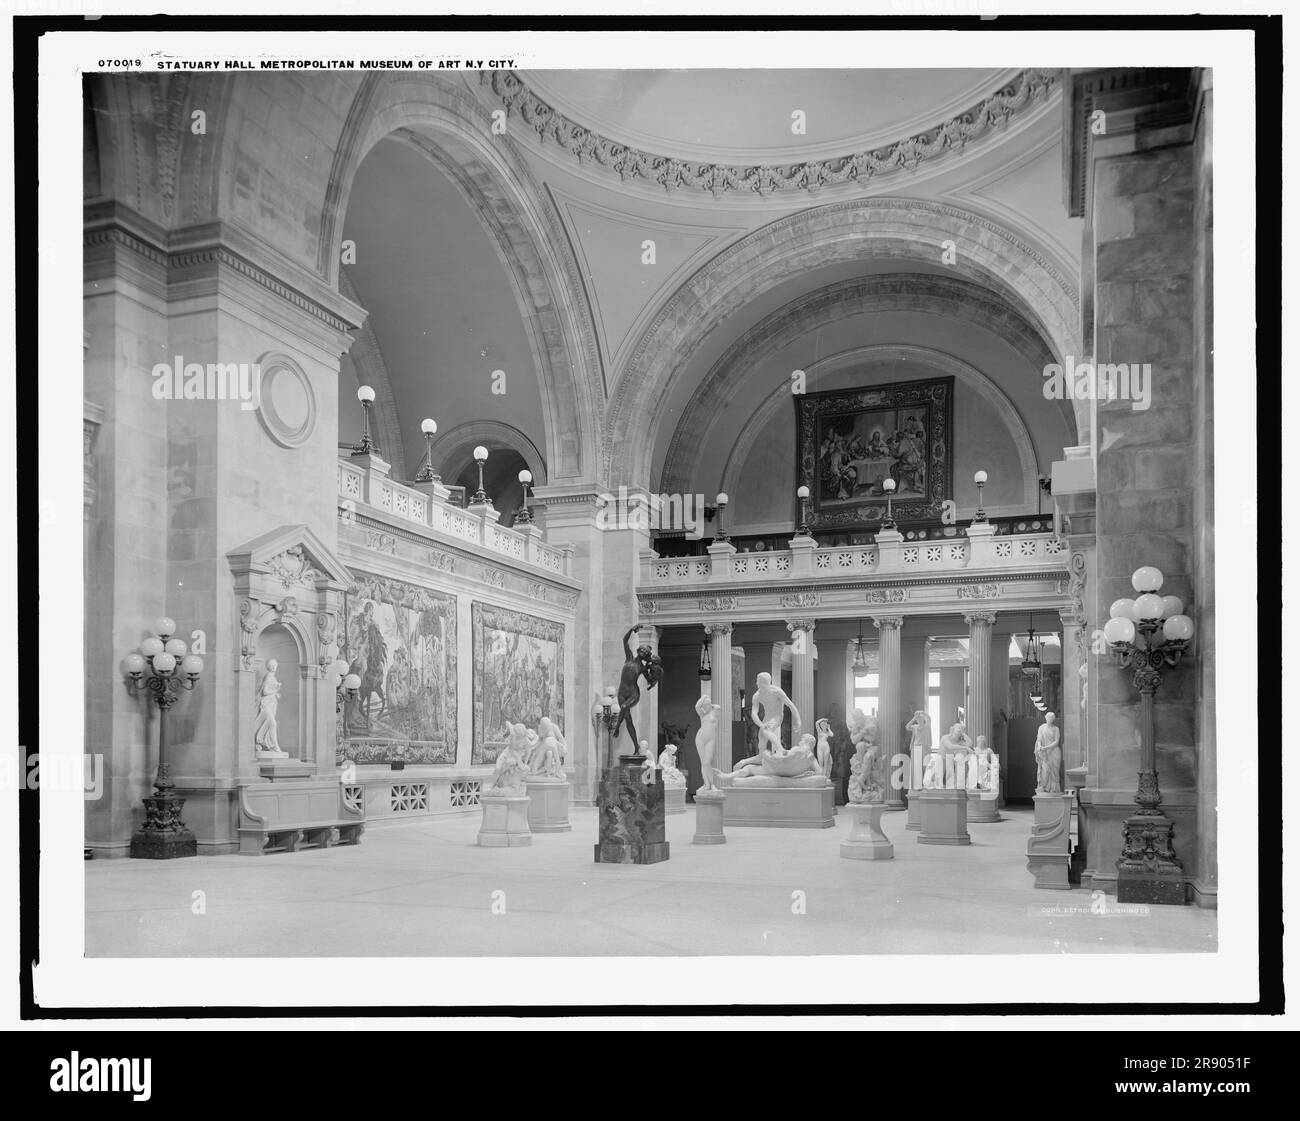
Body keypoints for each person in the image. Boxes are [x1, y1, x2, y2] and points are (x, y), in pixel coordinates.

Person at [611, 625, 664, 754]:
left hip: (634, 693)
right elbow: (624, 641)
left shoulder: (643, 667)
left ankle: (616, 728)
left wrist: (656, 675)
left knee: (624, 707)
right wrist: (632, 630)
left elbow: (649, 680)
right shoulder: (629, 658)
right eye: (643, 651)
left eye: (645, 653)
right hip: (621, 693)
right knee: (628, 720)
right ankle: (636, 747)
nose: (643, 653)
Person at [750, 671, 800, 752]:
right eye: (757, 681)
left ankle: (781, 750)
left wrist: (798, 720)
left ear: (765, 683)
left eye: (759, 681)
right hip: (767, 717)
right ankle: (762, 757)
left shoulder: (776, 691)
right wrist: (761, 724)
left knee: (766, 731)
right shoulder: (757, 695)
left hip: (777, 716)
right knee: (761, 738)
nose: (757, 683)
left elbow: (790, 705)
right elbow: (754, 713)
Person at [253, 659, 282, 753]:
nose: (274, 667)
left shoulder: (273, 677)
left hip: (272, 703)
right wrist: (276, 691)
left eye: (275, 665)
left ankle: (263, 741)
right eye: (272, 665)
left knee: (270, 724)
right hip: (266, 704)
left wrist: (276, 693)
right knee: (273, 724)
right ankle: (275, 746)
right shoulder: (269, 677)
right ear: (268, 667)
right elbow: (265, 692)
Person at [1034, 711, 1063, 793]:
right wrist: (1039, 746)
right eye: (1048, 718)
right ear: (1046, 718)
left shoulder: (1056, 729)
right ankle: (1044, 788)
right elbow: (1039, 739)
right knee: (1045, 770)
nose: (1049, 720)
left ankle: (1054, 790)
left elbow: (1057, 741)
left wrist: (1046, 748)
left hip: (1054, 752)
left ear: (1053, 719)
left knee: (1055, 772)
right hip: (1044, 753)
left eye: (1051, 718)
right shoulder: (1041, 728)